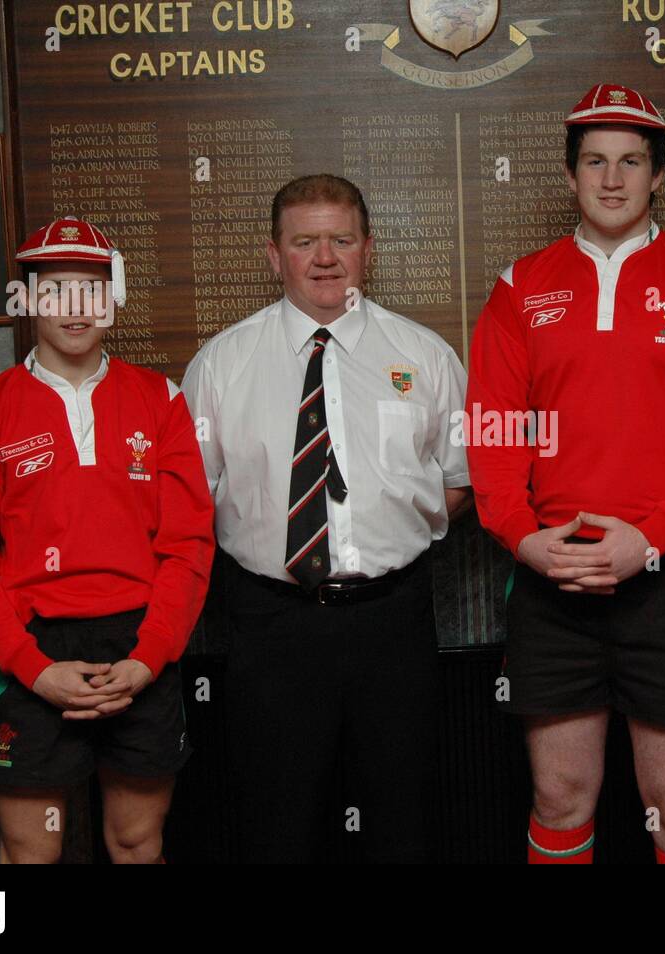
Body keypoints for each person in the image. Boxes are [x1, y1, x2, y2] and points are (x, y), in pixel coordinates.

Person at [466, 83, 665, 865]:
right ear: (569, 176)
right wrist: (525, 540)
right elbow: (495, 432)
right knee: (560, 799)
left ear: (658, 174)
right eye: (594, 161)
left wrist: (654, 537)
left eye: (631, 161)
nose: (611, 178)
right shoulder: (518, 287)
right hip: (551, 580)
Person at [181, 174, 472, 863]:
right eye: (304, 241)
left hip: (392, 620)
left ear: (367, 249)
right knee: (276, 823)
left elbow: (461, 483)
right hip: (270, 625)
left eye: (341, 239)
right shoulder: (221, 365)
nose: (324, 257)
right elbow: (190, 497)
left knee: (404, 820)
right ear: (273, 256)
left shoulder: (426, 358)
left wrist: (391, 538)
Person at [0, 216, 214, 863]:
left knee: (136, 839)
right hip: (33, 649)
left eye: (91, 289)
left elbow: (190, 544)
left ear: (111, 299)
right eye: (55, 288)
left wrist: (149, 657)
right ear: (29, 298)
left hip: (139, 645)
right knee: (34, 850)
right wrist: (35, 669)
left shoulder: (162, 400)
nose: (74, 307)